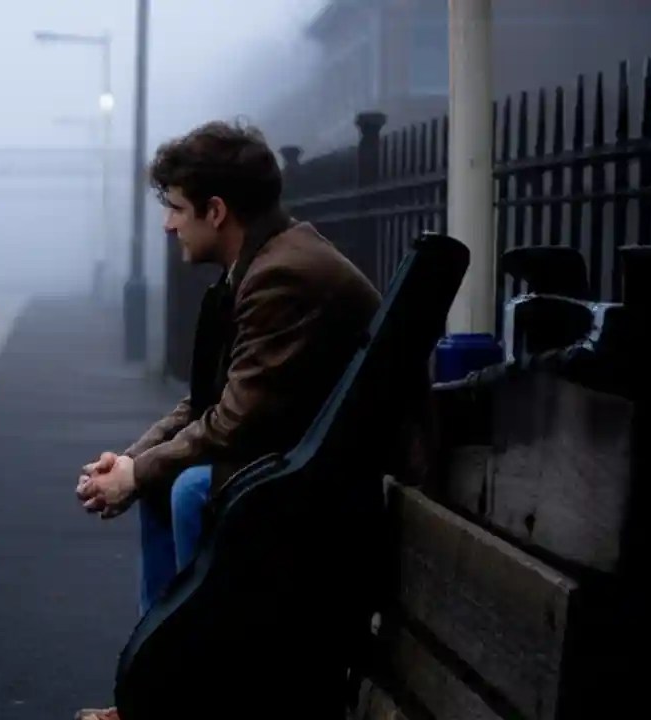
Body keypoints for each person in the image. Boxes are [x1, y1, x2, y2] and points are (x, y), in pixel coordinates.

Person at [73, 119, 415, 720]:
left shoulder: (284, 274)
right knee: (161, 487)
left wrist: (141, 471)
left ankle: (195, 691)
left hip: (347, 483)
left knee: (188, 491)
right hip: (307, 459)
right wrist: (130, 463)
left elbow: (231, 421)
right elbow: (206, 402)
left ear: (217, 210)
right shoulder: (259, 265)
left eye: (177, 208)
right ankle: (161, 688)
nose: (167, 223)